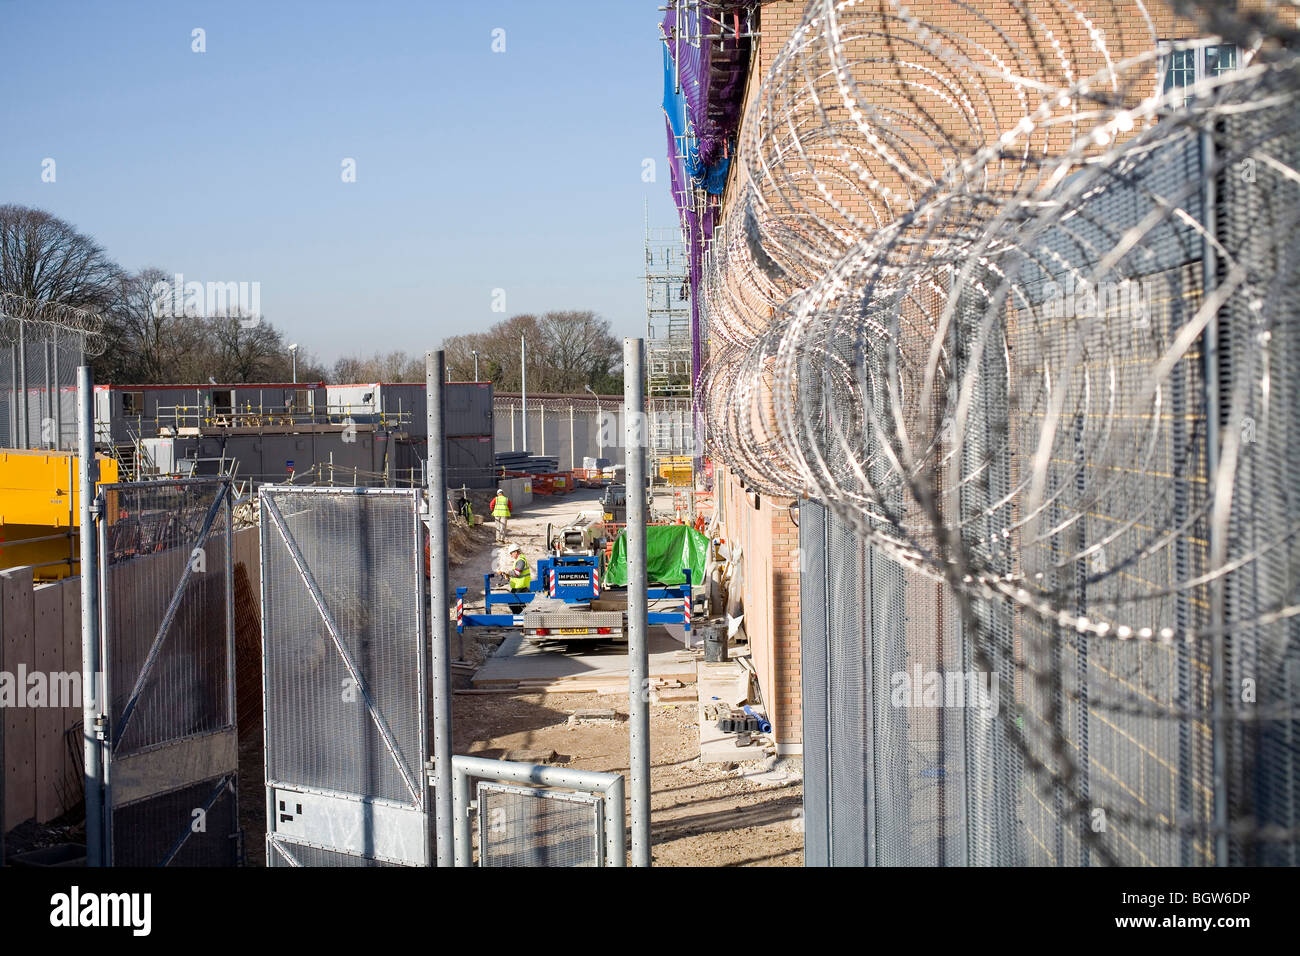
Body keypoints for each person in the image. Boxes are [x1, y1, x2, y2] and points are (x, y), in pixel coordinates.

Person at [505, 544, 531, 613]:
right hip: (519, 586)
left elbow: (517, 573)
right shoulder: (519, 560)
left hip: (521, 587)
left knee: (513, 603)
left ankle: (519, 618)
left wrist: (508, 573)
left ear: (516, 552)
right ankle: (521, 617)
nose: (511, 555)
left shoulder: (520, 560)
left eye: (511, 553)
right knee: (516, 603)